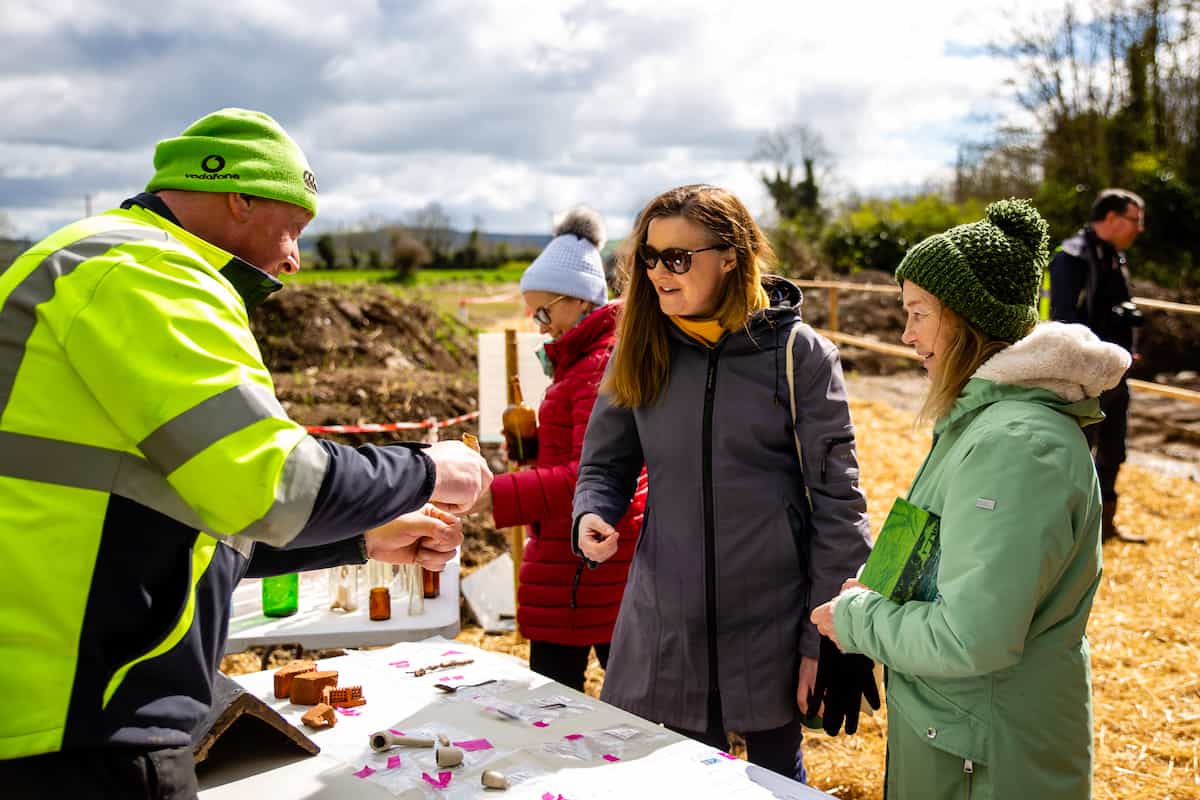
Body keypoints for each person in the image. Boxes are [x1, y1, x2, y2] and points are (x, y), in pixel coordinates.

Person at [0, 108, 491, 798]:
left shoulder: (95, 262)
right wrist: (429, 469)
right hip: (82, 722)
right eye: (293, 228)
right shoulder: (149, 270)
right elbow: (275, 485)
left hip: (55, 707)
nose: (293, 258)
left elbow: (181, 517)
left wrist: (364, 536)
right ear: (241, 197)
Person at [812, 199, 1130, 799]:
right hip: (960, 735)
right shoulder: (979, 422)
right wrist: (872, 592)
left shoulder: (1016, 444)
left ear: (963, 319)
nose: (907, 335)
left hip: (984, 757)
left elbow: (972, 636)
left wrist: (859, 623)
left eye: (917, 314)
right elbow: (936, 544)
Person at [572, 184, 872, 778]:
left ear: (731, 256)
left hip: (772, 623)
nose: (659, 273)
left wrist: (825, 640)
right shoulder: (639, 342)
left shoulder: (799, 354)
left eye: (678, 258)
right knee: (670, 783)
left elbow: (840, 504)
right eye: (649, 258)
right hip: (665, 621)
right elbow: (605, 463)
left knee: (774, 783)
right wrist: (593, 512)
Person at [476, 206, 646, 692]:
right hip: (575, 553)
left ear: (577, 300)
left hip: (584, 560)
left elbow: (590, 475)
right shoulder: (585, 361)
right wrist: (533, 455)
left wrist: (503, 493)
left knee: (563, 699)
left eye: (544, 312)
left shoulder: (596, 368)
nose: (540, 325)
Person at [1045, 188, 1146, 543]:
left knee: (1113, 449)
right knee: (1076, 451)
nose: (1140, 228)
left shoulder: (1114, 257)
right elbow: (1062, 319)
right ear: (1113, 219)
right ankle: (1070, 531)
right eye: (1136, 220)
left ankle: (1105, 528)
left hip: (1116, 374)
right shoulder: (1071, 257)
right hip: (1083, 377)